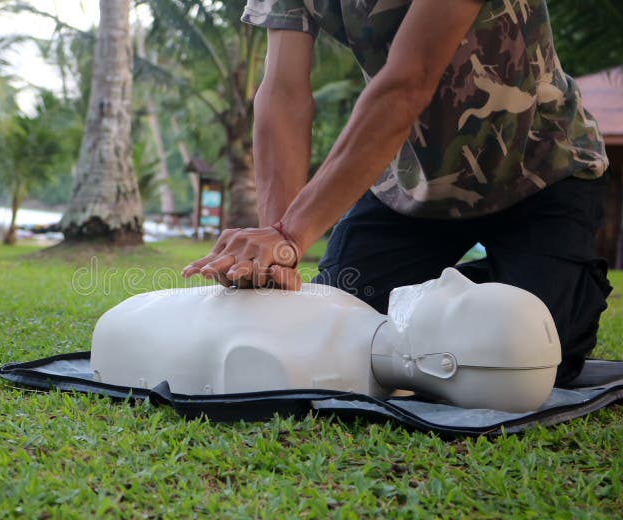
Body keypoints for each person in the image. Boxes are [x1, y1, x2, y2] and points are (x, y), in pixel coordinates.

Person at [180, 0, 611, 386]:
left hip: (541, 173)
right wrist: (278, 253)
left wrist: (291, 233)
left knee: (532, 351)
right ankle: (466, 297)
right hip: (414, 185)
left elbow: (410, 79)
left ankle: (539, 290)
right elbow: (283, 92)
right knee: (332, 330)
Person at [91, 268, 561, 412]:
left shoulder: (291, 363)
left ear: (443, 365)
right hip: (130, 319)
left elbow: (240, 361)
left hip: (123, 330)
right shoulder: (350, 312)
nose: (452, 275)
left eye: (462, 302)